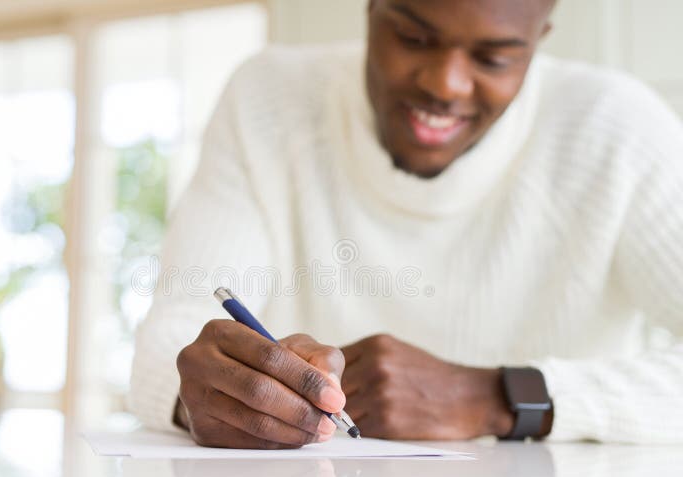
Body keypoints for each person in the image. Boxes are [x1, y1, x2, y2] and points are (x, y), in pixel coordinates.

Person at [129, 0, 683, 447]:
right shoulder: (266, 99)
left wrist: (499, 397)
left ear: (540, 37)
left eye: (494, 58)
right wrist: (200, 393)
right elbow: (173, 337)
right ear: (371, 10)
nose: (446, 85)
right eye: (415, 39)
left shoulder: (620, 130)